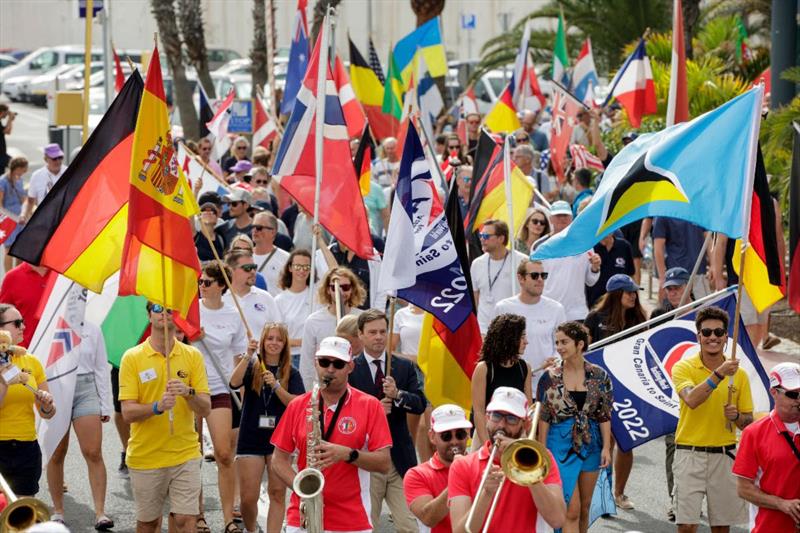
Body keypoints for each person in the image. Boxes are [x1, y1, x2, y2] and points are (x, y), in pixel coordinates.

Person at [270, 336, 393, 532]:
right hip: (302, 516)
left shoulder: (370, 405)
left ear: (350, 367)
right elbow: (278, 459)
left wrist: (348, 454)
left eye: (338, 363)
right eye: (324, 362)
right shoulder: (298, 405)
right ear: (315, 363)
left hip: (351, 520)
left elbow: (384, 463)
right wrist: (302, 488)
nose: (330, 369)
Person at [119, 302, 211, 533]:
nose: (164, 314)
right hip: (146, 456)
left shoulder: (192, 355)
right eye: (158, 309)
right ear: (149, 316)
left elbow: (205, 408)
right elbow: (128, 412)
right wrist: (157, 407)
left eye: (169, 310)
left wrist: (188, 393)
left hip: (185, 453)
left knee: (185, 520)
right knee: (149, 524)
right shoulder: (132, 357)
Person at [671, 306, 753, 533]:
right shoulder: (683, 367)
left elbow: (748, 421)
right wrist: (719, 374)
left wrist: (736, 416)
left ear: (726, 337)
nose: (713, 338)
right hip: (689, 454)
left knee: (720, 527)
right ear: (699, 337)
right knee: (687, 525)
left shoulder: (741, 375)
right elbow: (691, 400)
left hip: (724, 456)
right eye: (706, 333)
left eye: (718, 332)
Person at [349, 309, 427, 532]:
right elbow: (344, 413)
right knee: (367, 525)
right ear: (361, 334)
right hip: (367, 459)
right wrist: (373, 413)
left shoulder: (403, 366)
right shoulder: (350, 369)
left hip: (399, 459)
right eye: (372, 332)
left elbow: (420, 403)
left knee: (410, 526)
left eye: (383, 331)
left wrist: (398, 395)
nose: (379, 337)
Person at [448, 387, 566, 533]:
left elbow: (558, 519)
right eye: (496, 416)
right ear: (487, 418)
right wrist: (486, 494)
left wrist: (529, 468)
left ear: (526, 424)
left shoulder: (541, 458)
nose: (501, 425)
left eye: (511, 419)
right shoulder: (462, 465)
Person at [537, 321, 612, 533]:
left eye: (564, 342)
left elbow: (604, 414)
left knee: (585, 508)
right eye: (557, 342)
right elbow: (543, 417)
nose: (559, 347)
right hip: (559, 445)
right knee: (571, 509)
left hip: (592, 443)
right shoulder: (549, 377)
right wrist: (543, 450)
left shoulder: (599, 375)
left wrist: (606, 448)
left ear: (579, 344)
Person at [230, 323, 304, 533]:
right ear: (263, 341)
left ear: (285, 344)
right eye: (269, 338)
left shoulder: (292, 372)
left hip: (279, 441)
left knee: (277, 492)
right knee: (248, 497)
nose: (274, 343)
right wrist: (248, 355)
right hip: (250, 437)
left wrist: (277, 386)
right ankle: (252, 529)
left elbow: (297, 403)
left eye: (278, 339)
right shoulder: (253, 366)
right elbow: (233, 383)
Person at [583, 274, 647, 508]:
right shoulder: (594, 318)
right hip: (599, 390)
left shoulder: (639, 318)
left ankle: (619, 493)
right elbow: (583, 351)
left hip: (629, 388)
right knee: (604, 444)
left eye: (634, 292)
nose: (633, 296)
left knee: (626, 443)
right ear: (615, 294)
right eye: (628, 292)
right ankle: (602, 495)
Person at [193, 262, 247, 532]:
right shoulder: (191, 310)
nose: (201, 287)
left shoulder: (233, 314)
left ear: (221, 286)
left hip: (220, 388)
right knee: (193, 455)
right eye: (200, 282)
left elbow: (238, 357)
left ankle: (228, 518)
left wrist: (242, 390)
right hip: (191, 389)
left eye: (207, 283)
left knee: (224, 454)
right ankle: (198, 514)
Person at [46, 319, 114, 529]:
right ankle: (58, 511)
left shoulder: (92, 328)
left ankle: (100, 513)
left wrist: (105, 404)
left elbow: (101, 366)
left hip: (86, 388)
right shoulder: (51, 325)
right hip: (56, 387)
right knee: (57, 452)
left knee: (93, 451)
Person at [733, 362, 800, 533]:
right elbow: (743, 489)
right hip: (768, 527)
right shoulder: (754, 433)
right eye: (793, 394)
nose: (799, 400)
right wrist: (782, 504)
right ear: (774, 393)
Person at [650, 266, 692, 521]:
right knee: (673, 447)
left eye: (678, 287)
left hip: (703, 392)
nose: (673, 292)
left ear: (688, 286)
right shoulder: (658, 314)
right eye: (669, 288)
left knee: (699, 450)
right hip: (670, 392)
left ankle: (694, 497)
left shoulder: (706, 311)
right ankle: (677, 501)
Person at [0, 303, 55, 496]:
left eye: (22, 322)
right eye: (17, 323)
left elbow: (47, 414)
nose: (23, 326)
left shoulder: (31, 361)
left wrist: (47, 403)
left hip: (27, 447)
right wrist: (4, 378)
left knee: (22, 515)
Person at [494, 260, 565, 389]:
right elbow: (496, 346)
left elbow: (563, 344)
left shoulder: (556, 309)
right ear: (520, 278)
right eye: (534, 275)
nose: (540, 280)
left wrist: (554, 361)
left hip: (547, 385)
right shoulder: (503, 307)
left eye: (543, 275)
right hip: (512, 384)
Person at [404, 404, 472, 533]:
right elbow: (428, 518)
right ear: (432, 437)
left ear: (468, 434)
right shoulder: (417, 475)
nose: (454, 441)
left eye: (460, 434)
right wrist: (458, 476)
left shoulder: (480, 466)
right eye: (446, 436)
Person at [471, 314, 533, 448]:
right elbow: (478, 412)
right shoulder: (484, 368)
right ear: (509, 338)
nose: (526, 341)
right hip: (487, 433)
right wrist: (487, 445)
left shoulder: (525, 367)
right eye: (522, 337)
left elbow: (528, 410)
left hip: (516, 434)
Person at [532, 201, 601, 321]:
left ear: (571, 218)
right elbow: (533, 279)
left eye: (565, 215)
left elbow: (590, 281)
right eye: (558, 215)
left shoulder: (585, 244)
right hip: (548, 312)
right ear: (551, 219)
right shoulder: (539, 246)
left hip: (577, 313)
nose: (562, 219)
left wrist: (595, 268)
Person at [298, 267, 364, 389]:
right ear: (328, 290)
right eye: (335, 288)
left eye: (345, 287)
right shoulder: (313, 321)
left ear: (352, 289)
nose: (340, 292)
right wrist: (311, 393)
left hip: (357, 388)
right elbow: (307, 364)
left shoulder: (362, 318)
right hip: (324, 388)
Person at [471, 219, 528, 334]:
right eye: (481, 235)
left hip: (513, 328)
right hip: (484, 330)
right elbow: (476, 297)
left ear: (501, 239)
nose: (482, 239)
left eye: (486, 236)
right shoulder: (477, 263)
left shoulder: (522, 261)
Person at [391, 302, 432, 461]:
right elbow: (391, 348)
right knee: (410, 432)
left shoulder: (435, 313)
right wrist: (413, 359)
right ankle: (415, 472)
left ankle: (430, 472)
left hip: (432, 373)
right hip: (410, 373)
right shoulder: (400, 314)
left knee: (427, 428)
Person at [223, 250, 280, 343]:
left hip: (259, 356)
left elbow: (279, 333)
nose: (253, 272)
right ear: (231, 270)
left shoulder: (266, 298)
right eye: (247, 268)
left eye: (254, 267)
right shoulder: (220, 298)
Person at [652, 216, 711, 301]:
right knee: (675, 311)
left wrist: (714, 266)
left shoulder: (697, 210)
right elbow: (658, 246)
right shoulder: (664, 214)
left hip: (698, 273)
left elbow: (708, 238)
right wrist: (662, 278)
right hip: (675, 276)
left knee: (703, 309)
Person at [275, 249, 313, 369]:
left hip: (313, 357)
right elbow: (277, 336)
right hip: (290, 358)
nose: (302, 270)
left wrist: (321, 241)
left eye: (306, 267)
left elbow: (334, 271)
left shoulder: (316, 295)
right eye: (297, 266)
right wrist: (304, 341)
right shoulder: (279, 300)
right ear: (290, 268)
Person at [0, 262, 52, 347]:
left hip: (59, 349)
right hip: (24, 350)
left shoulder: (63, 275)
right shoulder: (12, 277)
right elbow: (2, 316)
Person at [586, 232, 636, 308]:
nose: (602, 237)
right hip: (595, 301)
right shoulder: (590, 248)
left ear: (612, 231)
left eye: (605, 234)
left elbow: (631, 274)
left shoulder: (624, 246)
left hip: (618, 301)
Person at [251, 211, 290, 297]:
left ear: (273, 232)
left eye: (259, 227)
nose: (255, 231)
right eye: (253, 227)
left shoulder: (287, 259)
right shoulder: (244, 257)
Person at [0, 156, 27, 272]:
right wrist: (12, 218)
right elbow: (0, 205)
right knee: (9, 249)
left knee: (20, 249)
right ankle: (8, 276)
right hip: (9, 218)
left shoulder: (19, 180)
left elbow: (23, 199)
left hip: (20, 218)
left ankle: (17, 274)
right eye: (23, 170)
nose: (23, 173)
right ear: (17, 168)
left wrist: (24, 212)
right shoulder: (3, 181)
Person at [24, 143, 65, 219]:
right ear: (46, 159)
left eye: (60, 157)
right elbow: (31, 200)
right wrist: (26, 216)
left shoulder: (69, 172)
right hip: (45, 218)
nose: (58, 161)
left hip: (64, 217)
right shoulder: (37, 175)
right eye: (54, 158)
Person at [194, 194, 226, 262]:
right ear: (199, 217)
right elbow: (189, 212)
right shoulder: (195, 236)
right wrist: (196, 191)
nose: (208, 213)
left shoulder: (221, 239)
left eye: (213, 211)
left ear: (217, 218)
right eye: (203, 211)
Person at [0, 103, 16, 173]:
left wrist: (10, 120)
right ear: (2, 112)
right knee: (16, 165)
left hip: (2, 153)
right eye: (6, 113)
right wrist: (10, 119)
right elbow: (7, 131)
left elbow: (8, 131)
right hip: (1, 155)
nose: (6, 115)